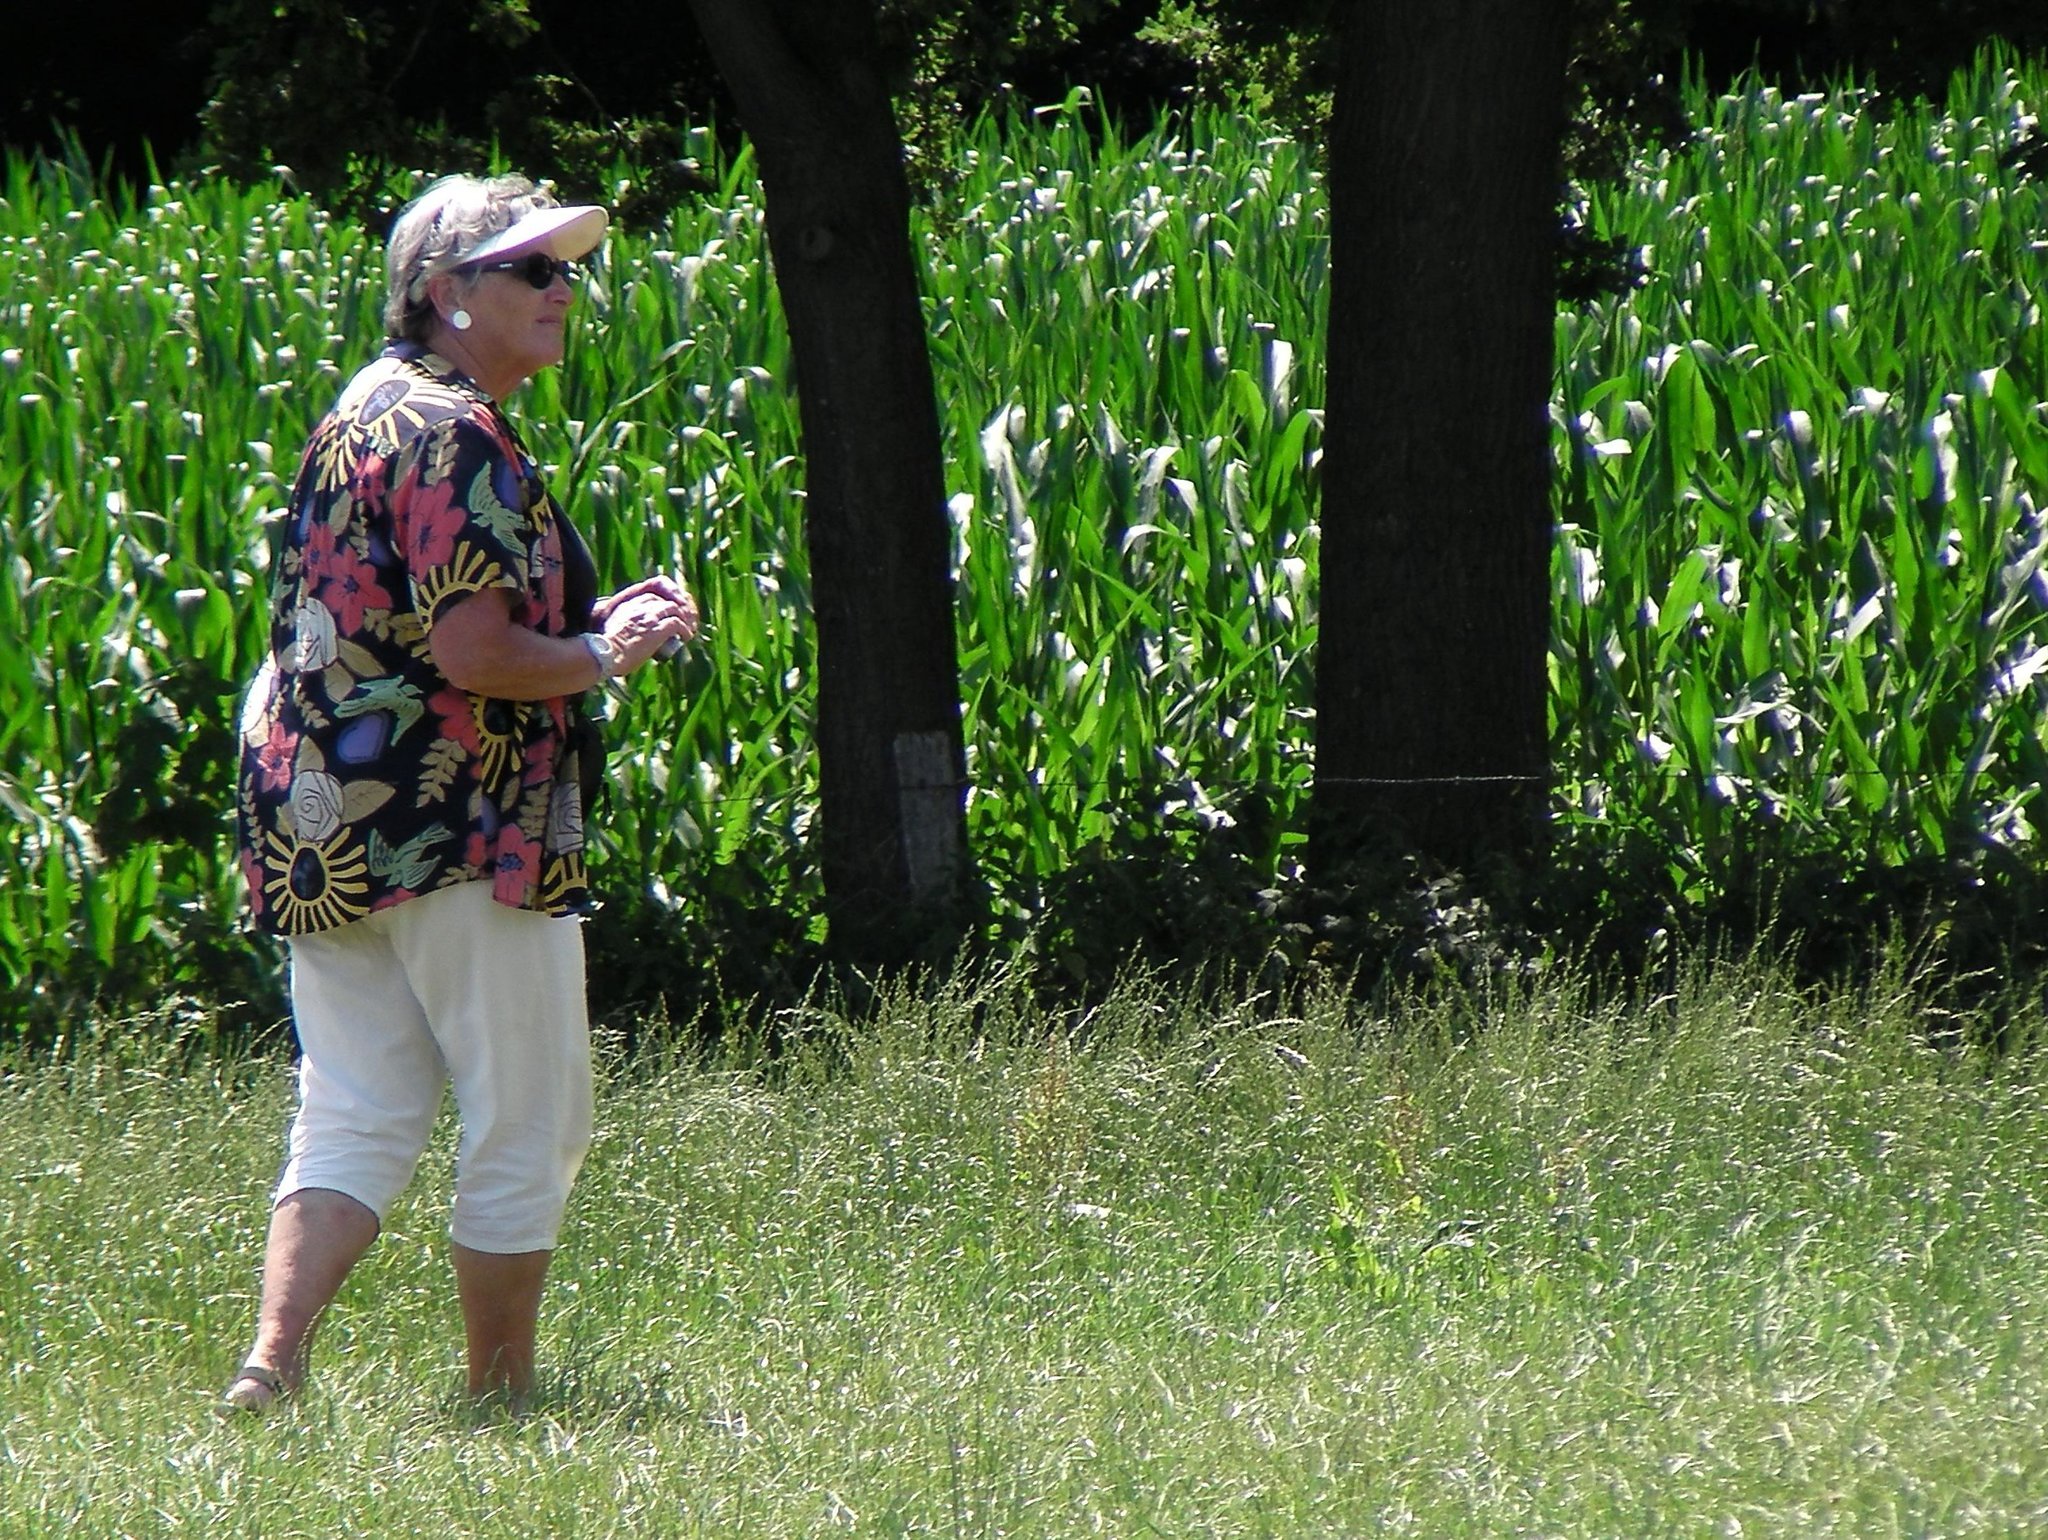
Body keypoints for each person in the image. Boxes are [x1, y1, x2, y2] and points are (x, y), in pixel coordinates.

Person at [221, 172, 697, 1413]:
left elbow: (394, 622)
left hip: (321, 817)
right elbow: (476, 655)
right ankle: (501, 1393)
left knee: (360, 1100)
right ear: (446, 295)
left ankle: (271, 1363)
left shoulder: (358, 412)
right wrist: (608, 653)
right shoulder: (456, 431)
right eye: (530, 269)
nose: (561, 288)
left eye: (566, 268)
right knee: (528, 1112)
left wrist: (587, 625)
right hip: (460, 822)